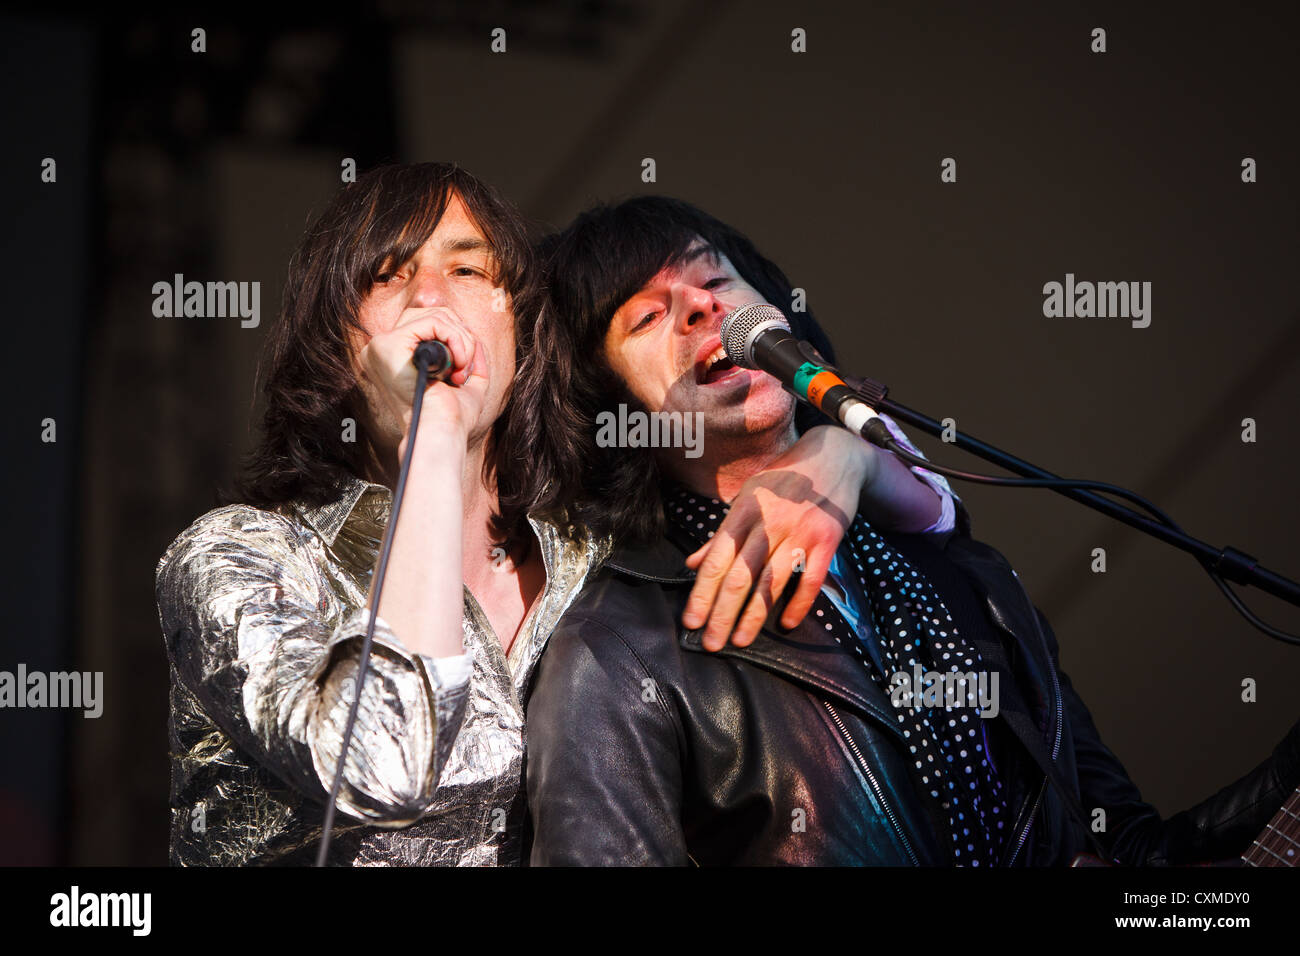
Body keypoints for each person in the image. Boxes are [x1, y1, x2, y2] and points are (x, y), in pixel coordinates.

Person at [154, 164, 956, 866]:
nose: (431, 297)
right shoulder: (245, 557)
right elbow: (380, 766)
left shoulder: (591, 550)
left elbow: (941, 515)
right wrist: (431, 432)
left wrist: (840, 457)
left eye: (470, 271)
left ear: (523, 333)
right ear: (336, 345)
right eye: (387, 277)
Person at [522, 195, 1300, 866]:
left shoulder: (956, 577)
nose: (701, 308)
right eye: (648, 316)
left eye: (715, 277)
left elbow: (1131, 854)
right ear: (605, 406)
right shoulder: (615, 650)